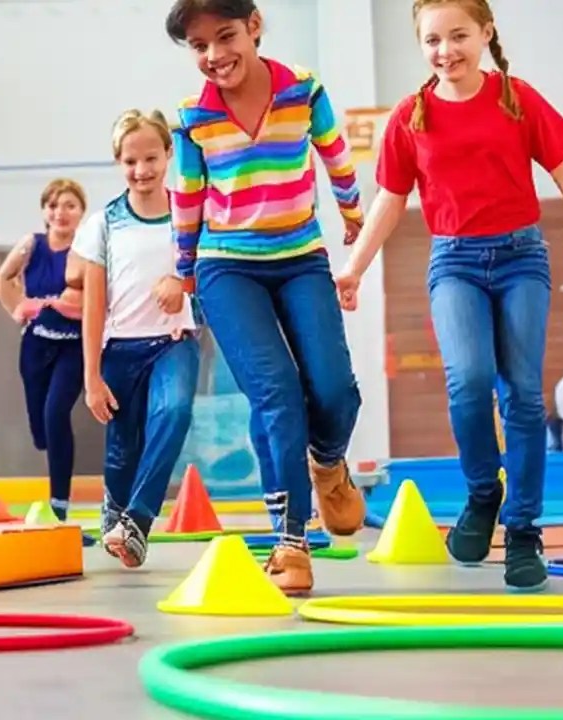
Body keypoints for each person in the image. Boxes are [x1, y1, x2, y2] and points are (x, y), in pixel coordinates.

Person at [333, 0, 563, 592]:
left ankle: (523, 530)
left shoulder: (515, 98)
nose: (446, 50)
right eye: (432, 40)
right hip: (455, 261)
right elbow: (390, 202)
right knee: (467, 379)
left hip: (522, 257)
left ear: (486, 34)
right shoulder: (410, 117)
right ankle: (482, 491)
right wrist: (354, 269)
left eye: (459, 36)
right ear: (420, 44)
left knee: (521, 394)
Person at [164, 0, 367, 594]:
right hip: (227, 267)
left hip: (300, 255)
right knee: (275, 391)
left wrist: (352, 213)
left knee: (333, 388)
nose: (213, 55)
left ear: (253, 27)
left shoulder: (302, 90)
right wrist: (184, 270)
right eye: (198, 46)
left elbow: (334, 152)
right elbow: (189, 195)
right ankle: (291, 540)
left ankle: (328, 464)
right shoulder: (191, 117)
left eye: (224, 37)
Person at [70, 109, 199, 568]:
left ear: (169, 154)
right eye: (130, 161)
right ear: (118, 163)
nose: (141, 170)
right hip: (120, 348)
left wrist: (181, 283)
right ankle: (117, 506)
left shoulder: (189, 213)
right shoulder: (103, 223)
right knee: (123, 449)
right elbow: (93, 305)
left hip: (174, 341)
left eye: (150, 158)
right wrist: (91, 378)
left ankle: (138, 519)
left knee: (175, 411)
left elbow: (211, 271)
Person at [0, 179, 88, 522]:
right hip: (36, 343)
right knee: (41, 429)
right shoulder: (31, 245)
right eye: (53, 206)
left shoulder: (87, 248)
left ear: (81, 212)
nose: (60, 213)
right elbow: (1, 279)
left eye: (69, 206)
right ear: (44, 211)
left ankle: (59, 506)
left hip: (74, 346)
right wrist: (20, 308)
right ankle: (50, 445)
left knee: (55, 414)